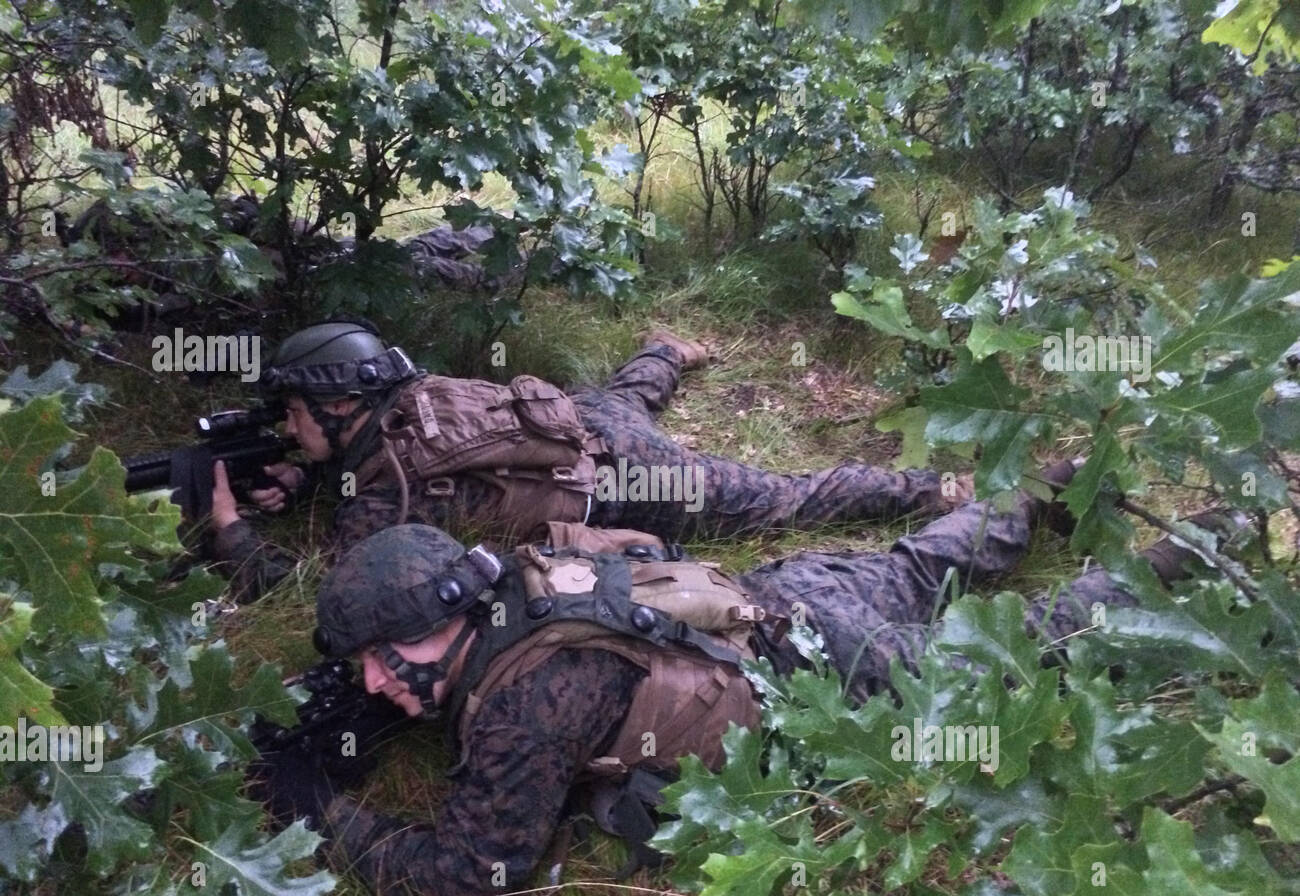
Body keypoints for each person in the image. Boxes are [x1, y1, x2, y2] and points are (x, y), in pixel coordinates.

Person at [258, 461, 1237, 896]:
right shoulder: (515, 574)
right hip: (779, 593)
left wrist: (322, 811)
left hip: (840, 680)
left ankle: (1202, 544)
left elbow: (473, 875)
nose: (381, 683)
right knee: (932, 556)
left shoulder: (526, 701)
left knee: (1042, 641)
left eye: (394, 656)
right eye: (367, 669)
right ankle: (1047, 482)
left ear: (451, 615)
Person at [208, 318, 970, 599]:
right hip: (580, 416)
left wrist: (232, 531)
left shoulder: (389, 506)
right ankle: (665, 350)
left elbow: (305, 591)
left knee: (785, 499)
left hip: (628, 481)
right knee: (625, 395)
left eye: (298, 413)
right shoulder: (413, 395)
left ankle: (938, 490)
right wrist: (305, 472)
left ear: (344, 410)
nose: (288, 425)